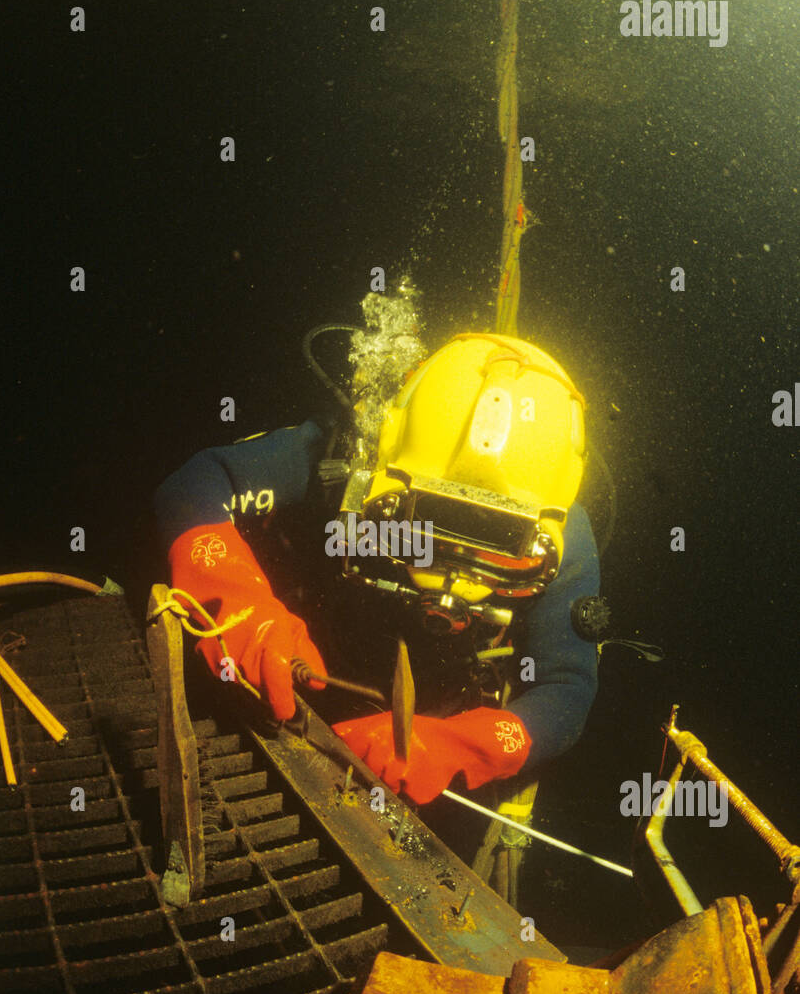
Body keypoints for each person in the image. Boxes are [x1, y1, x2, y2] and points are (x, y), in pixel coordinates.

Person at [153, 329, 599, 811]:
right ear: (384, 463)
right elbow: (194, 485)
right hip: (278, 666)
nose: (452, 568)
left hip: (421, 746)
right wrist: (241, 604)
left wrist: (459, 744)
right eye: (428, 520)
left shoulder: (564, 536)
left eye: (499, 535)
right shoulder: (346, 451)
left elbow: (566, 690)